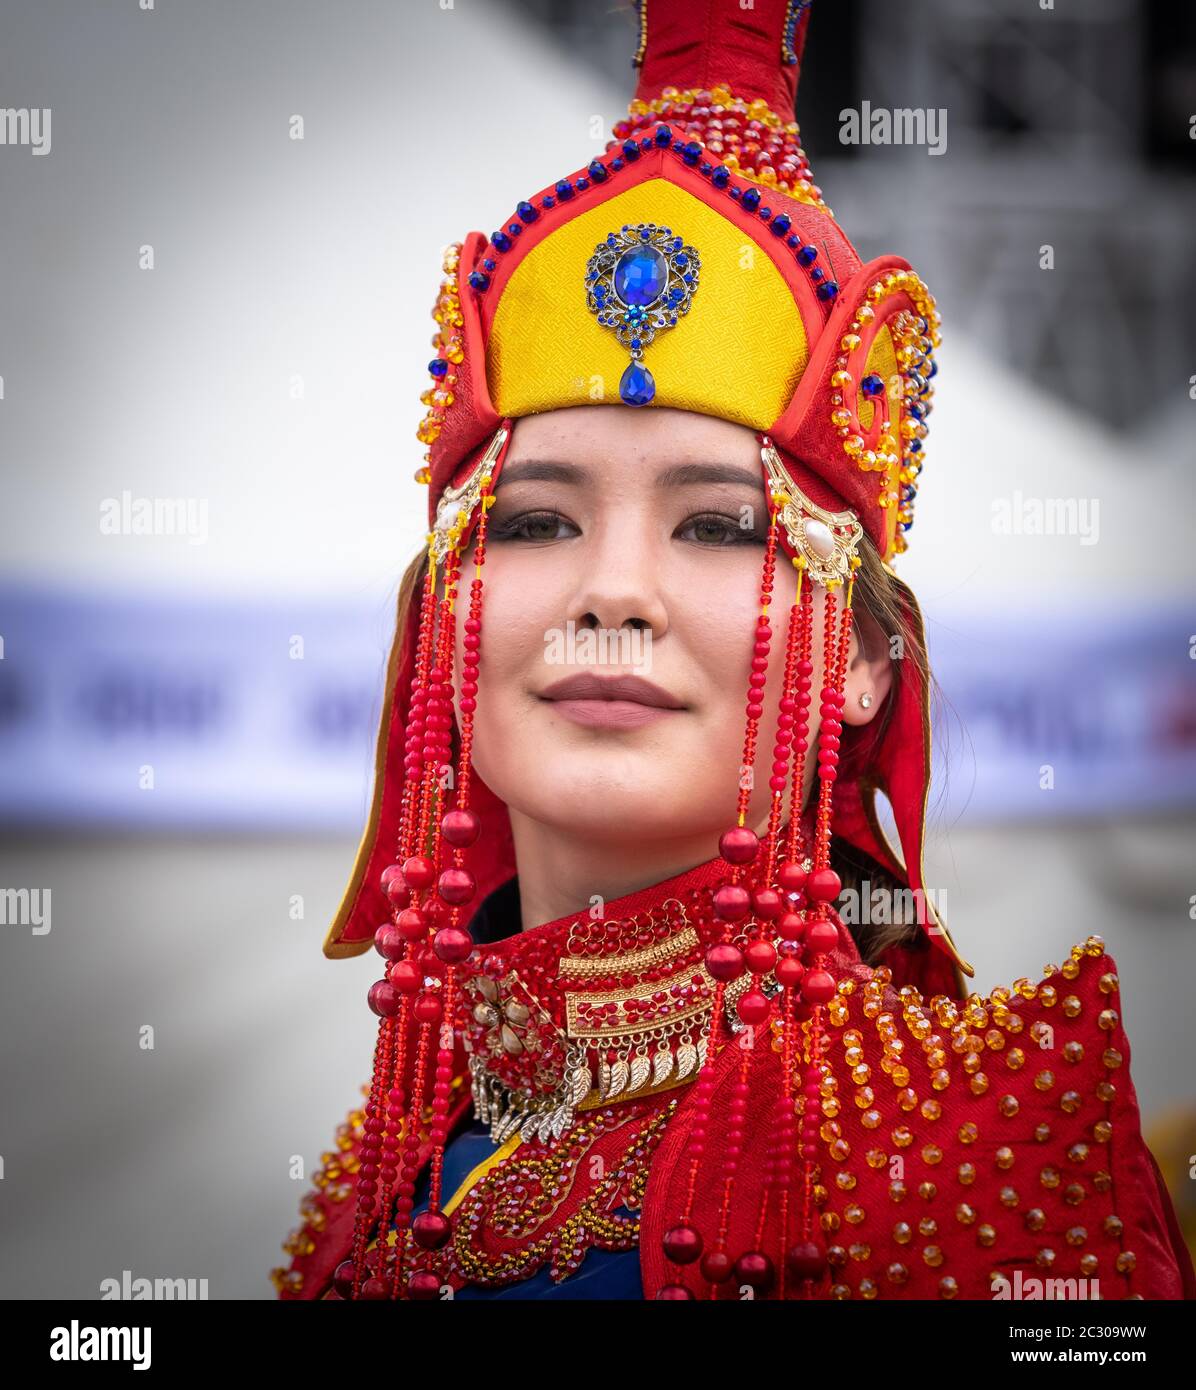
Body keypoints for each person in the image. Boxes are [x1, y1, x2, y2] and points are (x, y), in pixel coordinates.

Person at [272, 0, 1194, 1301]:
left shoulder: (980, 1154)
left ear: (867, 657)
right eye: (536, 518)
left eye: (717, 525)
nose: (614, 590)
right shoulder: (376, 1175)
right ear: (442, 614)